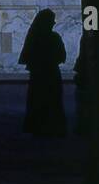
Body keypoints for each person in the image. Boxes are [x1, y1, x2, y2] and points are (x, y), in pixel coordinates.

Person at [19, 8, 67, 137]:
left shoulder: (35, 38)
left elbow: (28, 57)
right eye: (51, 21)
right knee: (51, 101)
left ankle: (38, 128)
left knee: (39, 100)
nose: (53, 23)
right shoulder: (54, 37)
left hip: (38, 75)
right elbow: (62, 56)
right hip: (51, 74)